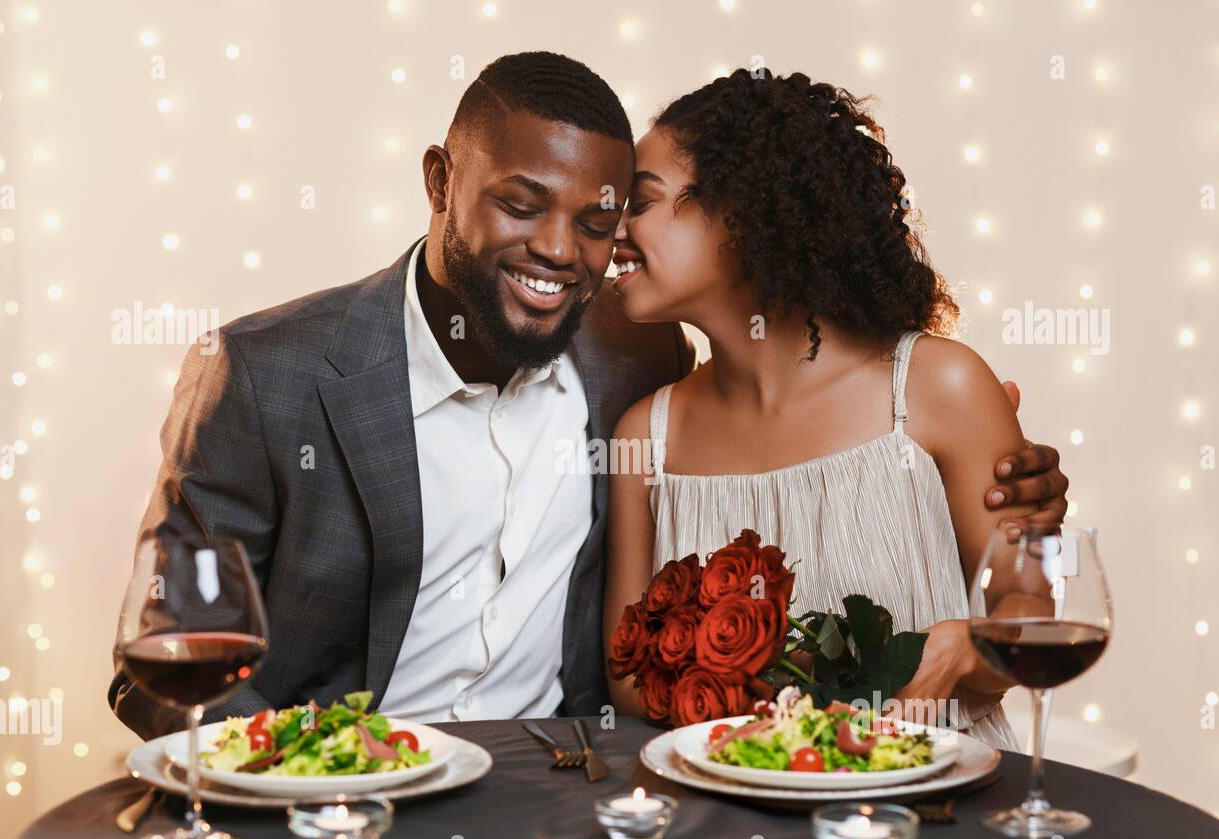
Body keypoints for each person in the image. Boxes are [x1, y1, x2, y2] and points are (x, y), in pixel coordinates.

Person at [110, 53, 1064, 742]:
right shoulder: (270, 372)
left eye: (610, 213)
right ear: (440, 183)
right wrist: (303, 777)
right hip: (339, 811)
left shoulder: (636, 363)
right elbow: (165, 654)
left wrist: (1008, 551)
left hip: (599, 806)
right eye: (523, 204)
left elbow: (1024, 592)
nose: (567, 250)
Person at [605, 70, 1070, 749]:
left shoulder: (939, 390)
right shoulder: (645, 436)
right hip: (732, 813)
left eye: (642, 202)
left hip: (937, 809)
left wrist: (964, 650)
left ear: (744, 214)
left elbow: (1030, 610)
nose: (616, 228)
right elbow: (626, 676)